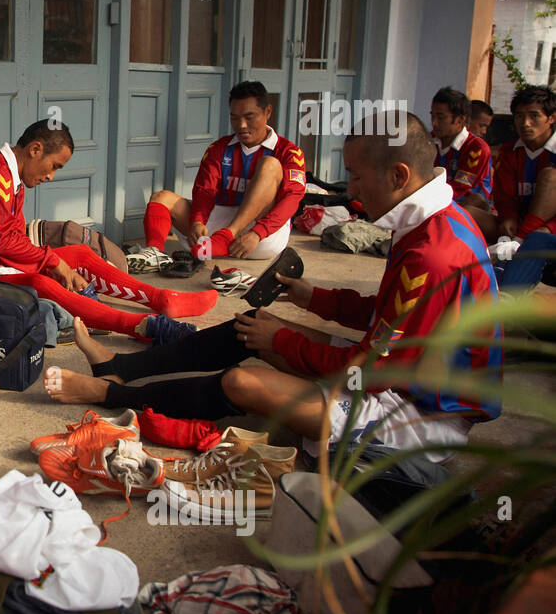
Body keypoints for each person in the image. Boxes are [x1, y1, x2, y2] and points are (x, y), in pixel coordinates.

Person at [45, 112, 501, 508]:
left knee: (243, 381)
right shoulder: (429, 222)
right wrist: (312, 299)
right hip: (396, 377)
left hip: (419, 417)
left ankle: (110, 396)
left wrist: (284, 343)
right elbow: (386, 316)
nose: (353, 192)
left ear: (399, 176)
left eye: (357, 177)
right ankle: (117, 365)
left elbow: (370, 371)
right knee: (251, 326)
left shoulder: (432, 251)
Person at [0, 119, 216, 342]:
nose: (51, 176)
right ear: (35, 149)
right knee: (42, 282)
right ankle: (141, 327)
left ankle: (160, 298)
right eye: (54, 166)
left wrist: (54, 262)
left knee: (77, 253)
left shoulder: (13, 178)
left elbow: (9, 240)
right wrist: (51, 263)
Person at [132, 81, 306, 270]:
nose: (241, 125)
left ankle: (226, 238)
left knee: (270, 165)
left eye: (250, 117)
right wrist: (197, 222)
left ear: (268, 112)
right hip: (215, 235)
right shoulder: (219, 148)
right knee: (162, 198)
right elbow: (205, 191)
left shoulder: (289, 152)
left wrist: (258, 233)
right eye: (234, 118)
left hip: (260, 236)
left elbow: (292, 199)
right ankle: (154, 253)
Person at [465, 85, 556, 245]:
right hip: (517, 230)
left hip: (547, 231)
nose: (526, 123)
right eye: (519, 116)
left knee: (551, 176)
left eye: (534, 116)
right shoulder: (509, 152)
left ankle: (516, 249)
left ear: (551, 118)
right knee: (466, 213)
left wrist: (548, 229)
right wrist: (509, 217)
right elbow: (503, 196)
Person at [429, 86, 492, 209]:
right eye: (432, 116)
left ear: (460, 119)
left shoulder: (476, 148)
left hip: (465, 206)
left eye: (441, 117)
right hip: (434, 202)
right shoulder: (427, 140)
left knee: (474, 201)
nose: (434, 122)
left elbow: (460, 188)